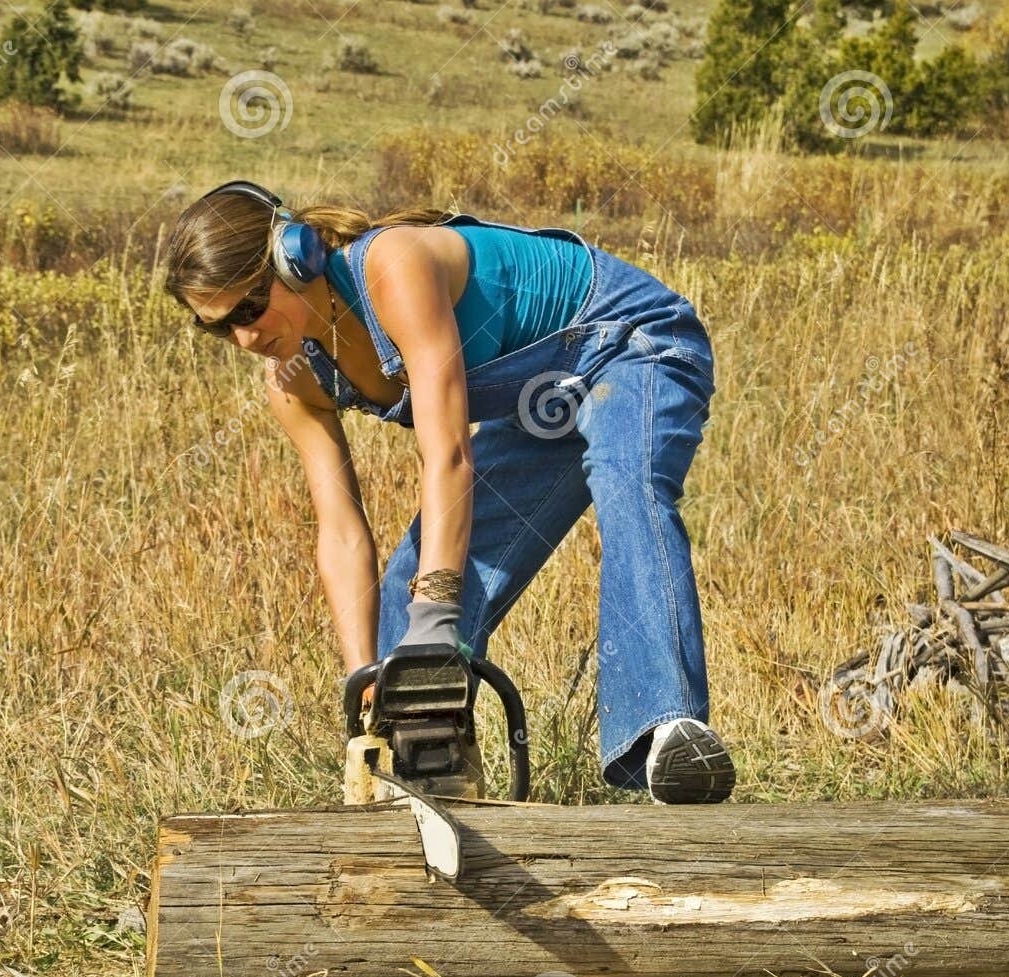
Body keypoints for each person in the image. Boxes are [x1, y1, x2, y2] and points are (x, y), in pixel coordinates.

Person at [162, 180, 734, 804]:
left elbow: (450, 454)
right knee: (405, 605)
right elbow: (342, 529)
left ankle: (669, 733)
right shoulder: (295, 382)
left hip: (629, 343)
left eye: (248, 309)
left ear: (292, 257)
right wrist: (367, 677)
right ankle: (432, 786)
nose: (244, 339)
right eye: (221, 329)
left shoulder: (393, 268)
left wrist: (437, 613)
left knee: (627, 479)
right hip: (539, 405)